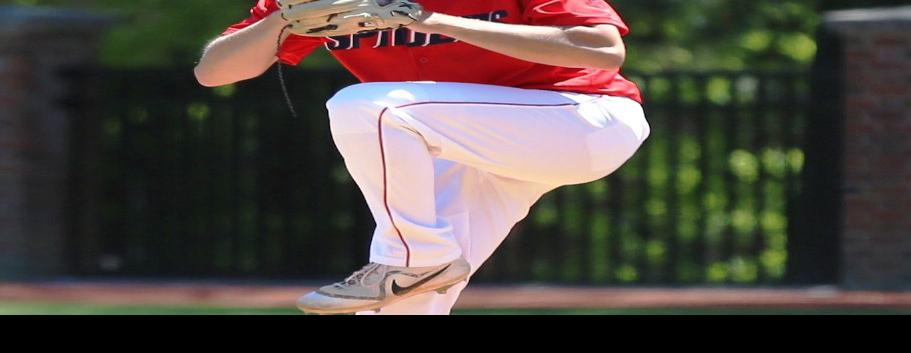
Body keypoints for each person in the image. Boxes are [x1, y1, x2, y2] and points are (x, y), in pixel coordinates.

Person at [195, 0, 650, 315]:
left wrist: (433, 20)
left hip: (580, 119)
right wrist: (282, 20)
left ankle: (418, 256)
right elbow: (214, 72)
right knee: (400, 304)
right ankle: (415, 263)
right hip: (471, 148)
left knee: (367, 108)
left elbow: (602, 49)